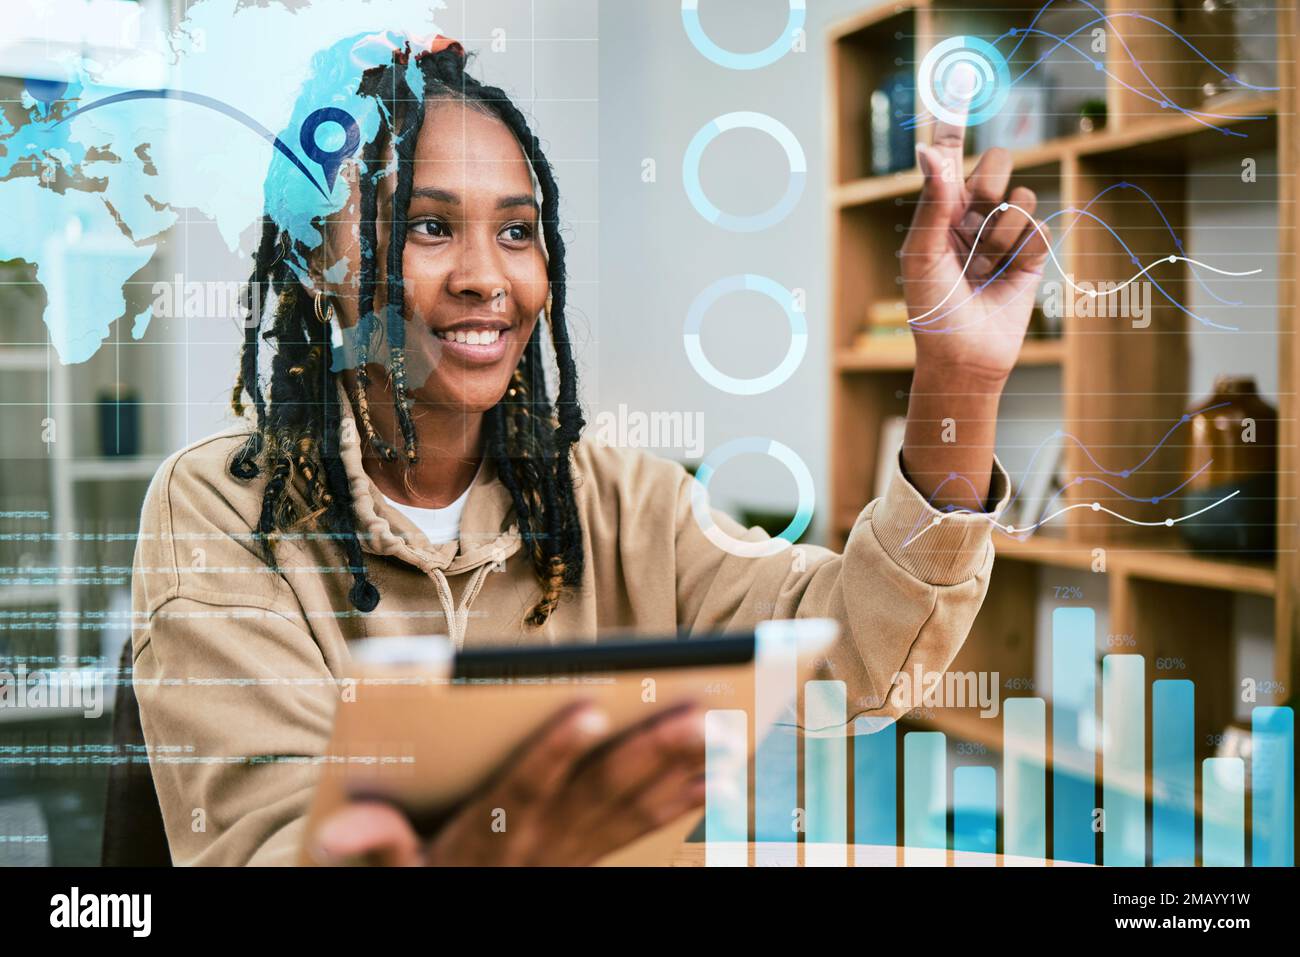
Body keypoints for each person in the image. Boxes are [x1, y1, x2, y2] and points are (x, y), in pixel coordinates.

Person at [129, 37, 1046, 866]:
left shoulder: (617, 498)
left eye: (517, 230)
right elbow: (269, 846)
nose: (487, 277)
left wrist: (958, 382)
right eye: (427, 225)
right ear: (315, 262)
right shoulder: (219, 510)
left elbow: (856, 655)